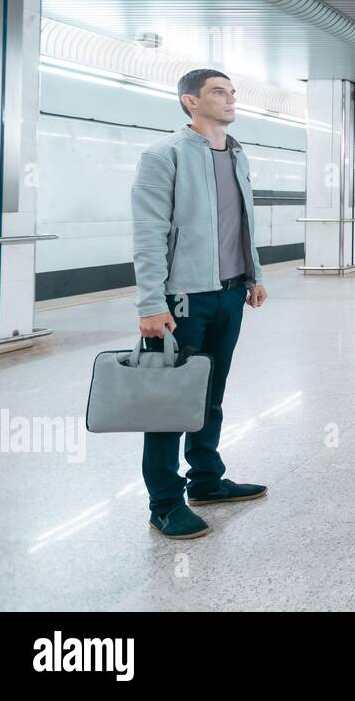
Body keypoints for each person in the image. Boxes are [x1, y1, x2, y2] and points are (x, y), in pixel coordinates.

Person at [131, 68, 269, 539]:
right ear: (190, 101)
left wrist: (254, 275)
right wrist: (151, 303)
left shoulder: (238, 155)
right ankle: (164, 503)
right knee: (170, 401)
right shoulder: (163, 155)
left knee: (210, 395)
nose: (231, 99)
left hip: (230, 292)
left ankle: (206, 481)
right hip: (182, 298)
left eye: (232, 91)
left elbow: (243, 221)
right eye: (219, 91)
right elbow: (148, 234)